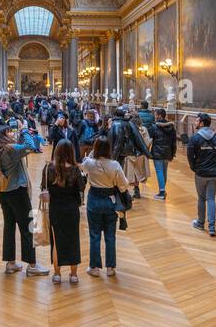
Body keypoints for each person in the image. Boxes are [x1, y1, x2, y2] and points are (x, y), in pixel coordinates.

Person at [0, 124, 49, 276]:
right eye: (8, 132)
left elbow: (21, 146)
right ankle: (32, 265)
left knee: (9, 228)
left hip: (5, 194)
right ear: (4, 135)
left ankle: (10, 263)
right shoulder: (10, 149)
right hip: (17, 193)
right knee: (28, 227)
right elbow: (30, 146)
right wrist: (24, 129)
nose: (11, 134)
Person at [81, 136, 129, 278]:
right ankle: (110, 268)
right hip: (110, 200)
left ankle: (94, 267)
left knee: (94, 235)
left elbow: (83, 169)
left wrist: (92, 153)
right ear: (109, 149)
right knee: (110, 236)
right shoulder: (114, 165)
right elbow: (124, 184)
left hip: (94, 199)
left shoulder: (89, 162)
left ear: (95, 148)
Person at [41, 138, 85, 284]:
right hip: (72, 209)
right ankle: (73, 275)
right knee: (73, 240)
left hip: (55, 209)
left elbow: (43, 187)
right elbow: (81, 188)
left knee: (56, 241)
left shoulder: (49, 169)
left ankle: (57, 274)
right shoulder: (74, 169)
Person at [186, 112, 216, 237]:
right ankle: (212, 227)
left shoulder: (194, 138)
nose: (195, 123)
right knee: (211, 199)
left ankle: (200, 222)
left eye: (197, 121)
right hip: (214, 174)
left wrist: (194, 168)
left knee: (201, 198)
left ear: (202, 123)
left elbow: (189, 156)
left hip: (201, 173)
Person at [109, 106, 149, 199]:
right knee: (137, 173)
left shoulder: (125, 127)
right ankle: (135, 189)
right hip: (139, 155)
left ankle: (125, 192)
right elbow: (146, 142)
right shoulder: (143, 129)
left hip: (129, 155)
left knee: (127, 174)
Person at [149, 107, 177, 200]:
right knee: (164, 172)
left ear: (160, 116)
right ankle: (163, 190)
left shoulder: (154, 127)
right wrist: (173, 154)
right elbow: (174, 142)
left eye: (156, 114)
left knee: (159, 172)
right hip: (167, 153)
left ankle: (161, 192)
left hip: (157, 153)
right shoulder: (171, 127)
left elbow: (149, 138)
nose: (155, 116)